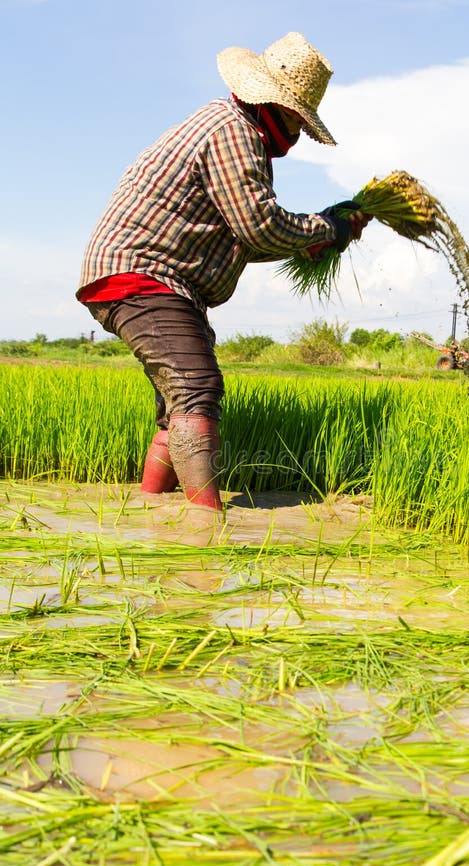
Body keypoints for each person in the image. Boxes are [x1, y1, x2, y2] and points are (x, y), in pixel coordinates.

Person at [76, 32, 371, 510]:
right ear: (281, 107)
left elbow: (236, 237)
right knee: (198, 387)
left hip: (149, 276)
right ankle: (204, 529)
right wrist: (329, 229)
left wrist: (314, 237)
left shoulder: (230, 126)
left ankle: (150, 513)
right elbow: (259, 227)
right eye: (297, 121)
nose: (295, 136)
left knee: (178, 409)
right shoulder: (234, 131)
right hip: (145, 275)